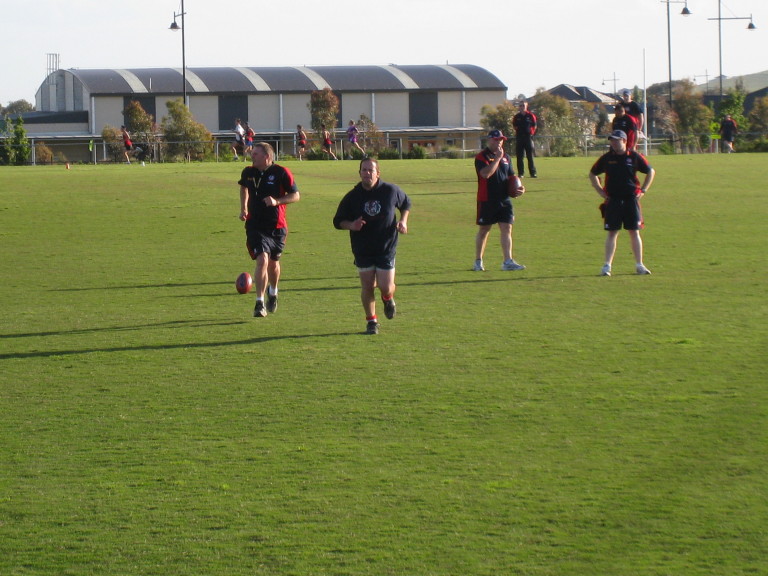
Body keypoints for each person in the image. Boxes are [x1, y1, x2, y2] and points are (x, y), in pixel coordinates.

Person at [333, 158, 411, 335]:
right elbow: (337, 221)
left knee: (385, 286)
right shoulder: (352, 196)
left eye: (370, 170)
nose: (367, 173)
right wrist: (351, 225)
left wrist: (403, 221)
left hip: (386, 246)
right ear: (359, 173)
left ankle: (387, 297)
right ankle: (372, 322)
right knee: (367, 286)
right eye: (364, 170)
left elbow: (406, 203)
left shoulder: (390, 191)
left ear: (378, 173)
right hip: (363, 248)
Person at [238, 142, 301, 317]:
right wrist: (244, 208)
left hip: (277, 227)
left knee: (273, 263)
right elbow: (243, 187)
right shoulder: (248, 172)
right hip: (255, 226)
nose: (253, 155)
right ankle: (259, 303)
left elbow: (296, 195)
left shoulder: (281, 173)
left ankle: (272, 292)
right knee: (262, 260)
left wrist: (276, 201)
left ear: (267, 156)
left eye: (256, 153)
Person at [589, 129, 655, 276]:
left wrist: (643, 190)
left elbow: (651, 171)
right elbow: (592, 173)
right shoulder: (607, 158)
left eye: (616, 140)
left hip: (631, 199)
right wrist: (600, 191)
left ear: (624, 141)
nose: (613, 143)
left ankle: (639, 265)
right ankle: (607, 266)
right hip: (613, 199)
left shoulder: (635, 156)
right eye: (612, 140)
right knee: (612, 232)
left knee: (634, 231)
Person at [473, 129, 526, 272]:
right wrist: (497, 158)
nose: (499, 142)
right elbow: (485, 174)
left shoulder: (506, 157)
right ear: (489, 140)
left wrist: (519, 188)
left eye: (501, 140)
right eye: (496, 140)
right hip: (487, 199)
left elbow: (512, 177)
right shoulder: (481, 157)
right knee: (484, 229)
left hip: (504, 199)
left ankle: (507, 261)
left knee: (507, 227)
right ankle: (478, 261)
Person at [512, 101, 538, 178]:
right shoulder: (516, 117)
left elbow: (534, 126)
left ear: (526, 106)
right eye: (520, 105)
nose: (521, 107)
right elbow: (514, 126)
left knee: (530, 156)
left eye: (523, 105)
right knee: (519, 157)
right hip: (519, 137)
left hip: (528, 137)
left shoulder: (530, 115)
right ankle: (521, 173)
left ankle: (533, 173)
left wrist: (530, 133)